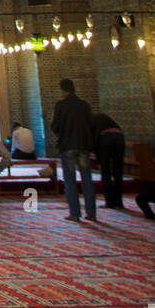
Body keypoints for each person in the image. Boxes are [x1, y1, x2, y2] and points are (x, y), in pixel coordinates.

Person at [51, 78, 97, 223]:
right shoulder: (85, 105)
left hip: (68, 146)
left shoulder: (61, 106)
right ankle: (91, 213)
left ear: (63, 90)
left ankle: (75, 213)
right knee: (87, 180)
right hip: (84, 146)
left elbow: (55, 126)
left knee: (70, 180)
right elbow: (91, 125)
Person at [91, 111, 125, 210]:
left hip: (105, 139)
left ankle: (110, 202)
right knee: (118, 172)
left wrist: (99, 160)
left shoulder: (90, 121)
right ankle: (119, 203)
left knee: (105, 172)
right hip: (119, 138)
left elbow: (94, 140)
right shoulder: (105, 118)